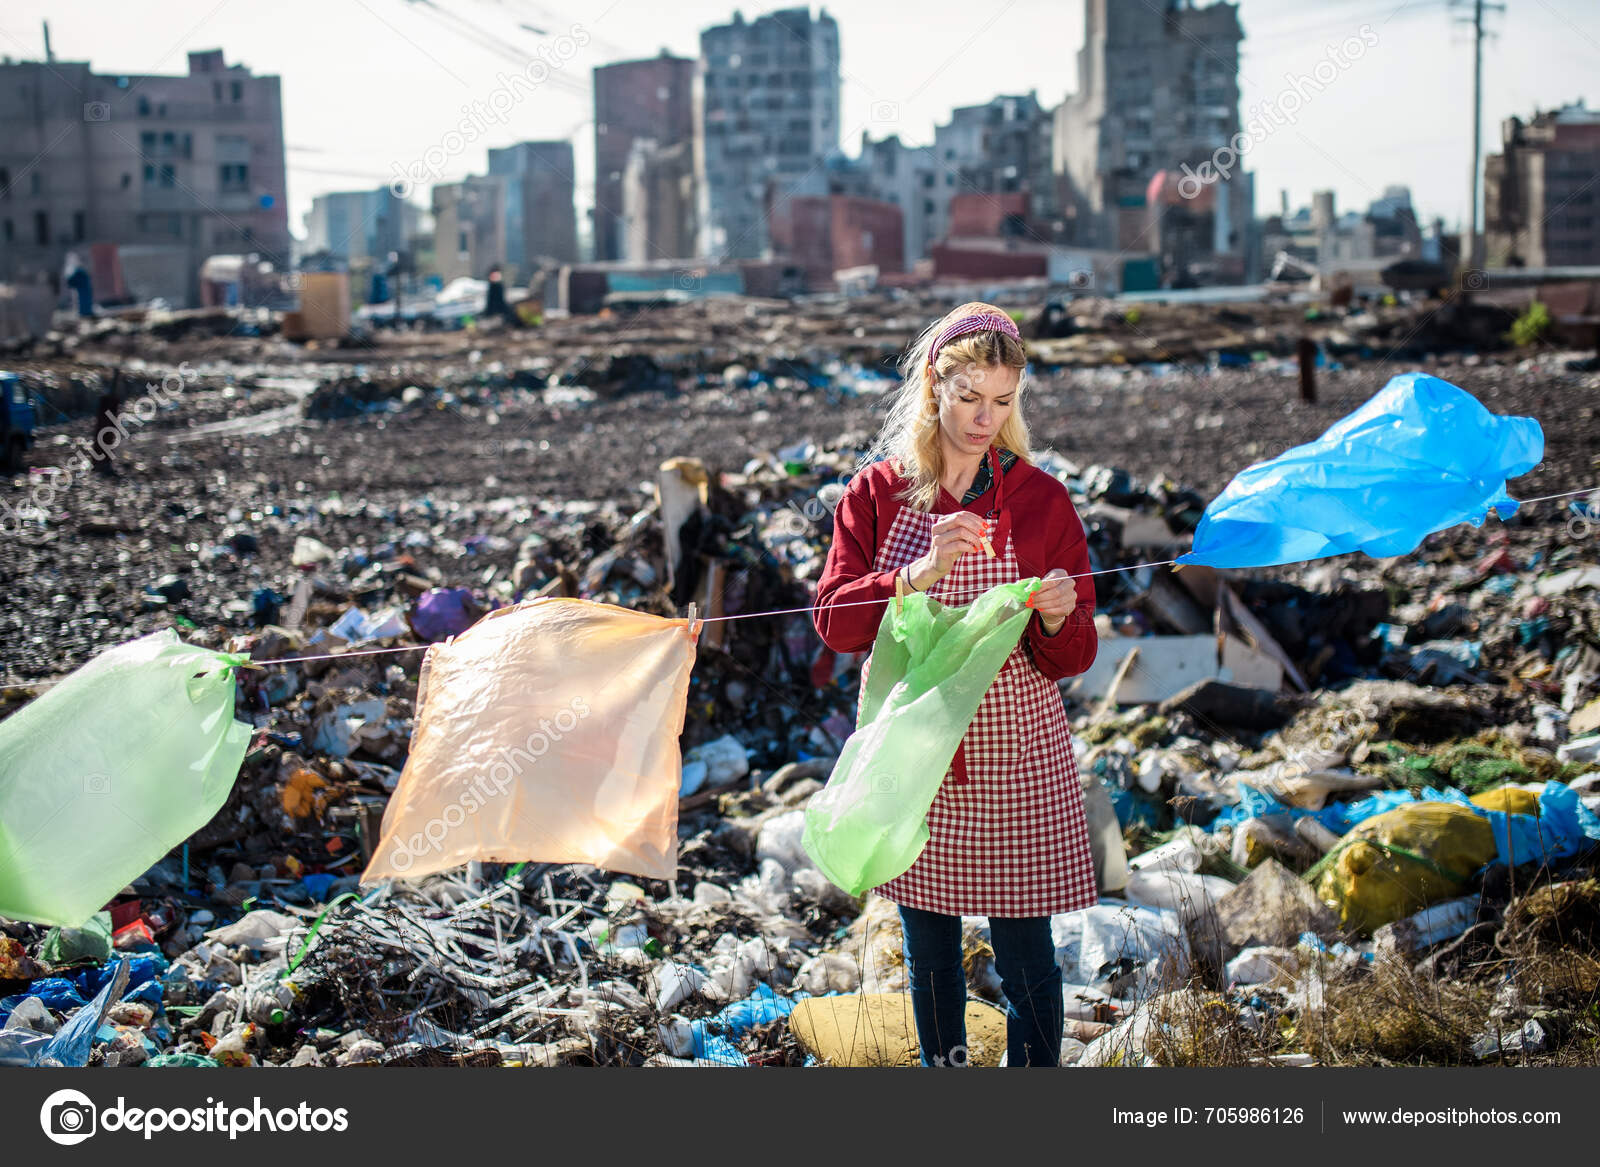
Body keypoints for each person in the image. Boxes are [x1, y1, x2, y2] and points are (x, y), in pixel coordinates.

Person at [812, 301, 1099, 1067]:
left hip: (1014, 754)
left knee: (1026, 953)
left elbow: (1074, 653)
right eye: (969, 396)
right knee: (931, 951)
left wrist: (1058, 616)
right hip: (915, 755)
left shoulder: (1041, 500)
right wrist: (916, 573)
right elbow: (835, 623)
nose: (983, 418)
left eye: (1002, 401)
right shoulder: (876, 494)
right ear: (933, 387)